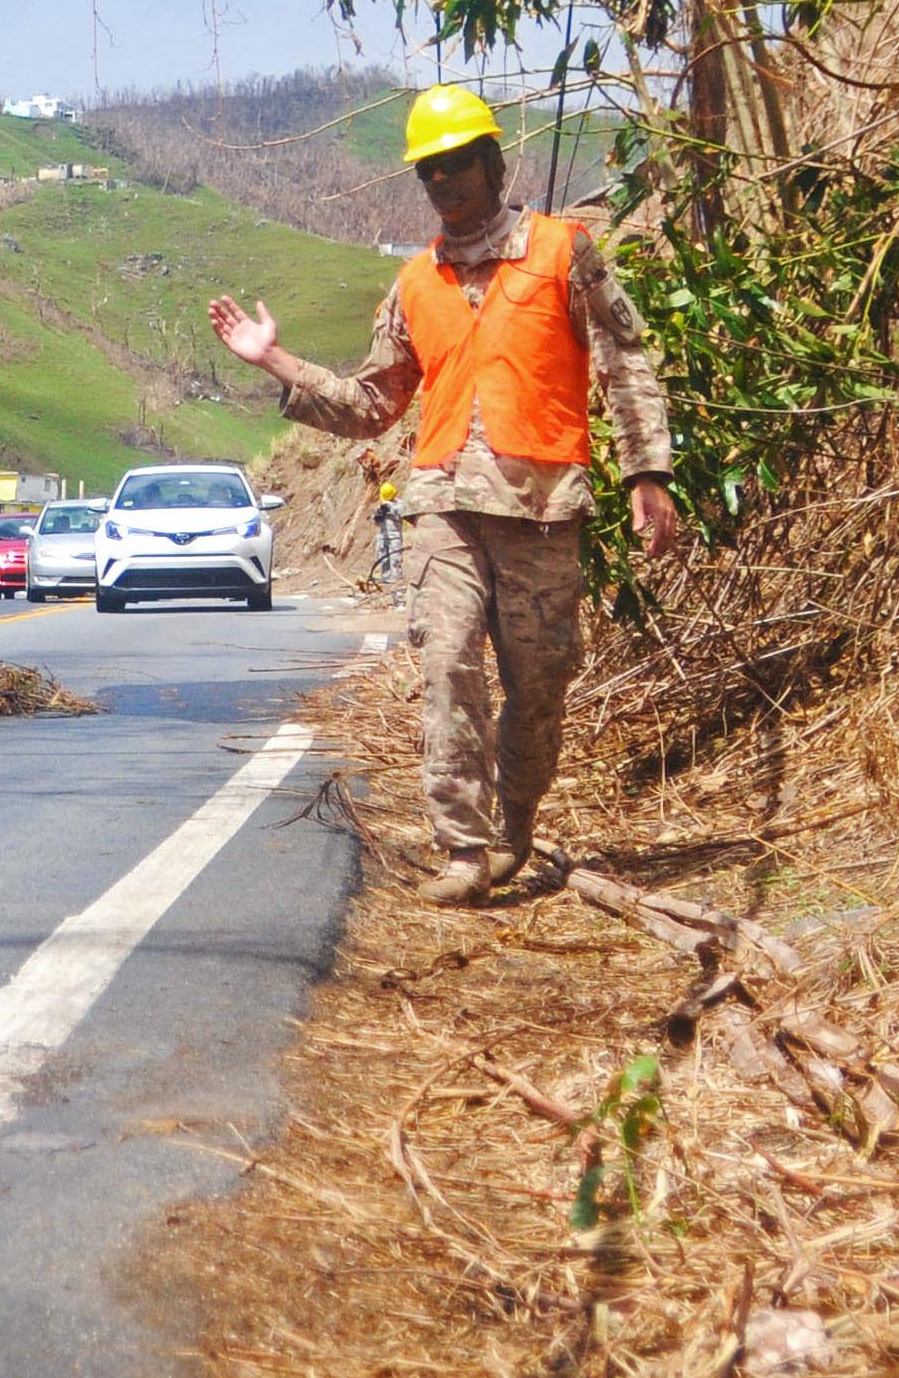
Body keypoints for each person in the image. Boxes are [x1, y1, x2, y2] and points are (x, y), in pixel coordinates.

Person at [207, 84, 684, 904]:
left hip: (541, 512)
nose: (441, 181)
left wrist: (647, 473)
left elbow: (624, 362)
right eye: (427, 170)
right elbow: (372, 404)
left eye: (455, 163)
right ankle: (462, 848)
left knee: (538, 686)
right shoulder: (414, 283)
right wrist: (276, 361)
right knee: (446, 664)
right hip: (442, 508)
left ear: (492, 163)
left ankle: (513, 830)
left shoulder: (562, 251)